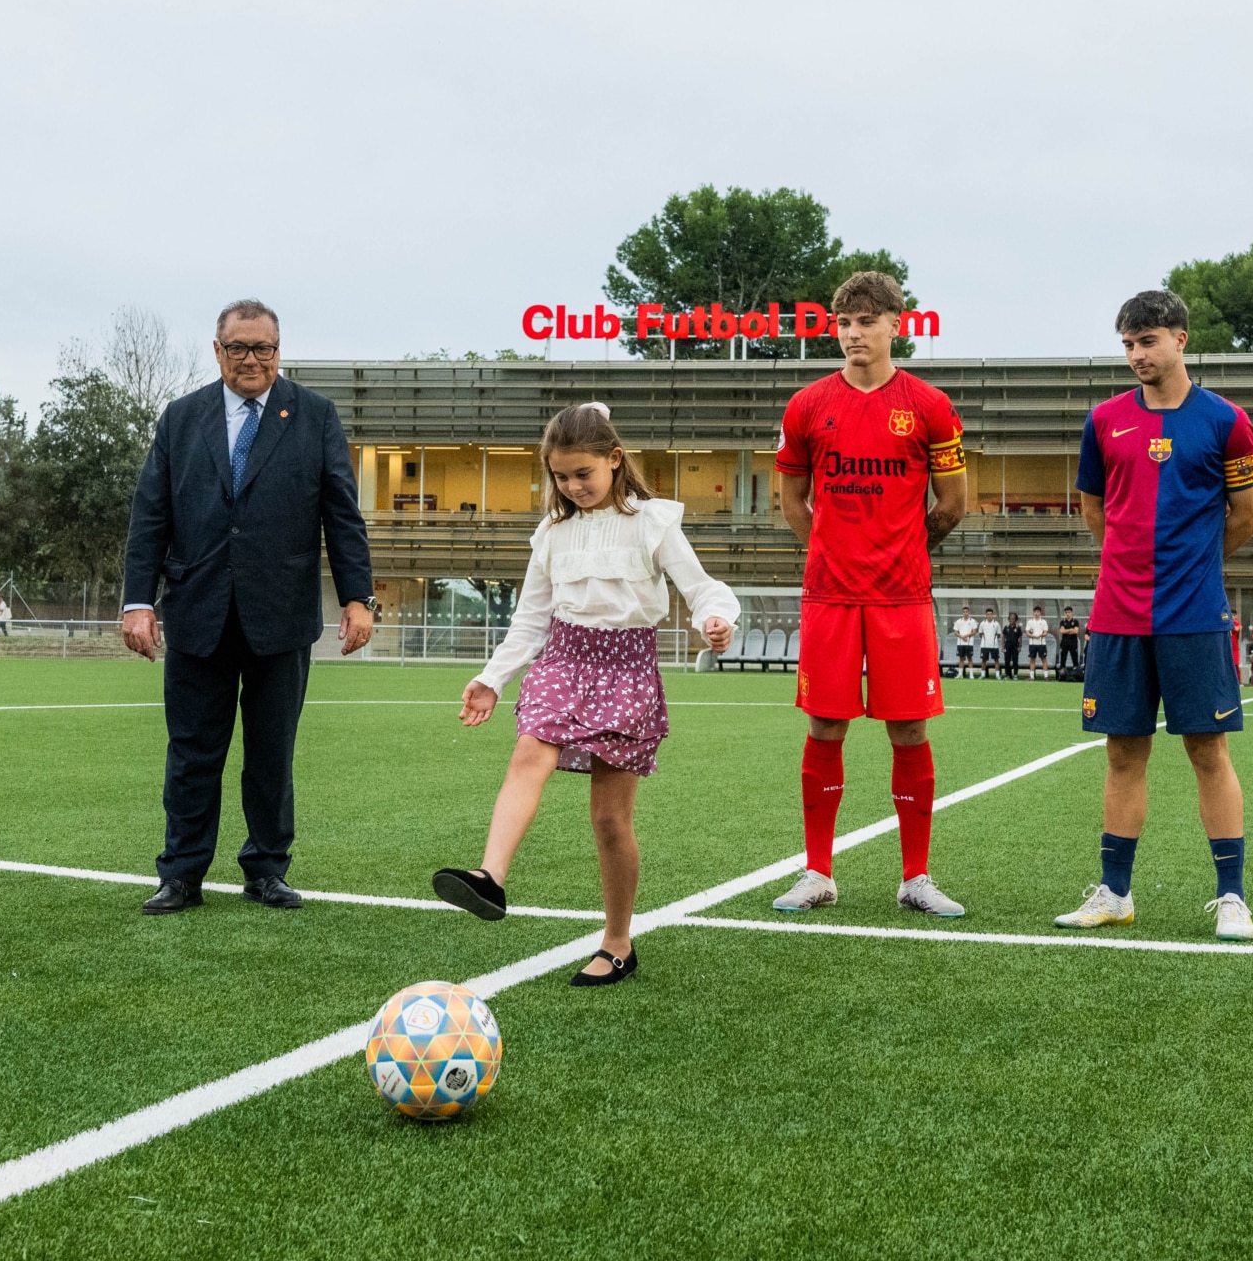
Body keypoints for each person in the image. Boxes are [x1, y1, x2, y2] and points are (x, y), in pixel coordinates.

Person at [431, 403, 738, 985]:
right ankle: (489, 877)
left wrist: (716, 619)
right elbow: (530, 620)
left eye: (582, 474)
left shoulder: (653, 522)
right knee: (529, 754)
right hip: (565, 658)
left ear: (614, 460)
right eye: (560, 477)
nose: (572, 487)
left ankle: (618, 940)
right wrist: (491, 680)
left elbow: (702, 589)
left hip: (627, 668)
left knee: (609, 818)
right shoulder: (551, 532)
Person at [121, 300, 375, 914]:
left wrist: (356, 596)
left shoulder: (314, 416)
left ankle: (266, 868)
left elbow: (342, 514)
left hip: (280, 616)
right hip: (196, 612)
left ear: (279, 351)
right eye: (238, 347)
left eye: (263, 347)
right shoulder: (181, 419)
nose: (251, 359)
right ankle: (181, 874)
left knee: (271, 753)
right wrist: (137, 601)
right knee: (191, 753)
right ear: (217, 350)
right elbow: (150, 516)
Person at [1054, 290, 1253, 942]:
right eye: (1127, 344)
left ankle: (1231, 896)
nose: (1136, 355)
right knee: (1123, 751)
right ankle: (1115, 891)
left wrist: (1194, 564)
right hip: (1118, 614)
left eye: (1147, 341)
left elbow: (1248, 515)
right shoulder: (1104, 420)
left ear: (1179, 339)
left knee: (1208, 749)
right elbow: (1094, 507)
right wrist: (1132, 563)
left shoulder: (1227, 421)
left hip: (1195, 614)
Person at [771, 271, 970, 918]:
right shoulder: (806, 406)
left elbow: (953, 504)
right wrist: (830, 550)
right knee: (824, 723)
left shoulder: (930, 407)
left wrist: (906, 551)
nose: (853, 333)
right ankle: (818, 872)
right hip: (829, 594)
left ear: (895, 324)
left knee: (907, 728)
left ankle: (916, 876)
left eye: (866, 321)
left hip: (902, 596)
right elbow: (792, 500)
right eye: (844, 322)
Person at [1024, 606, 1051, 679]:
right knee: (1032, 659)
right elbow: (1027, 632)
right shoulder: (1030, 622)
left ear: (1040, 613)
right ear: (1033, 613)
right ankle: (1031, 676)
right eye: (1035, 612)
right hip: (1032, 643)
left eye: (1038, 612)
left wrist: (1041, 635)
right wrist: (1033, 636)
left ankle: (1046, 676)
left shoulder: (1043, 622)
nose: (1036, 613)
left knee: (1043, 659)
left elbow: (1045, 632)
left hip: (1041, 644)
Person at [952, 608, 978, 677]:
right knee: (961, 658)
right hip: (960, 643)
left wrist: (966, 635)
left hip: (969, 643)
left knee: (970, 658)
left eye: (966, 612)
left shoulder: (972, 621)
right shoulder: (959, 621)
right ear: (962, 613)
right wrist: (961, 636)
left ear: (969, 612)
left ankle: (971, 675)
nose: (965, 613)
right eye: (964, 612)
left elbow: (974, 631)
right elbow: (955, 632)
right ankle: (960, 674)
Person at [1056, 607, 1082, 676]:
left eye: (1069, 612)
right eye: (1066, 612)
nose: (1067, 614)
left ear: (1072, 613)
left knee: (1074, 659)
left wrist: (1066, 630)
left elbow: (1076, 631)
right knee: (1063, 659)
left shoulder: (1075, 621)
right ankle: (1062, 675)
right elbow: (1062, 631)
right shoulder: (1062, 622)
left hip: (1073, 643)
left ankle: (1076, 674)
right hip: (1064, 643)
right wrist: (1070, 630)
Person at [978, 607, 1002, 679]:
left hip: (994, 646)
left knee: (996, 660)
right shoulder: (982, 623)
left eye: (990, 614)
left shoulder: (996, 624)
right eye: (988, 614)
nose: (989, 616)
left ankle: (997, 675)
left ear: (993, 615)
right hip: (984, 645)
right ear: (986, 615)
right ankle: (982, 674)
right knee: (983, 660)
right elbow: (980, 634)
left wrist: (993, 639)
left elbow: (998, 634)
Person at [1002, 612, 1024, 680]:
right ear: (1009, 619)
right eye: (1010, 619)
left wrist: (1020, 646)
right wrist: (1003, 646)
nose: (1012, 620)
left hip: (1015, 646)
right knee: (1007, 661)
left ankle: (1015, 675)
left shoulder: (1018, 628)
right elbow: (1003, 636)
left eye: (1013, 619)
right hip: (1007, 646)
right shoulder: (1006, 627)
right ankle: (1007, 675)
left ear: (1016, 620)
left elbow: (1020, 637)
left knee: (1015, 661)